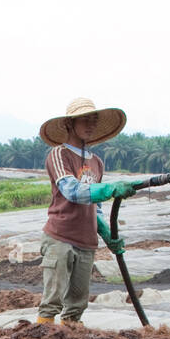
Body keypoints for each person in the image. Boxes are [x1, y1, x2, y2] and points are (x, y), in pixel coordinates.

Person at [36, 98, 140, 325]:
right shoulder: (59, 154)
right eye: (85, 119)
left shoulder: (97, 163)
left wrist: (106, 234)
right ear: (69, 124)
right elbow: (71, 190)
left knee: (77, 304)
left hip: (86, 241)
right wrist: (109, 189)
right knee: (52, 301)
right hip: (60, 237)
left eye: (94, 120)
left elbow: (96, 208)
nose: (90, 124)